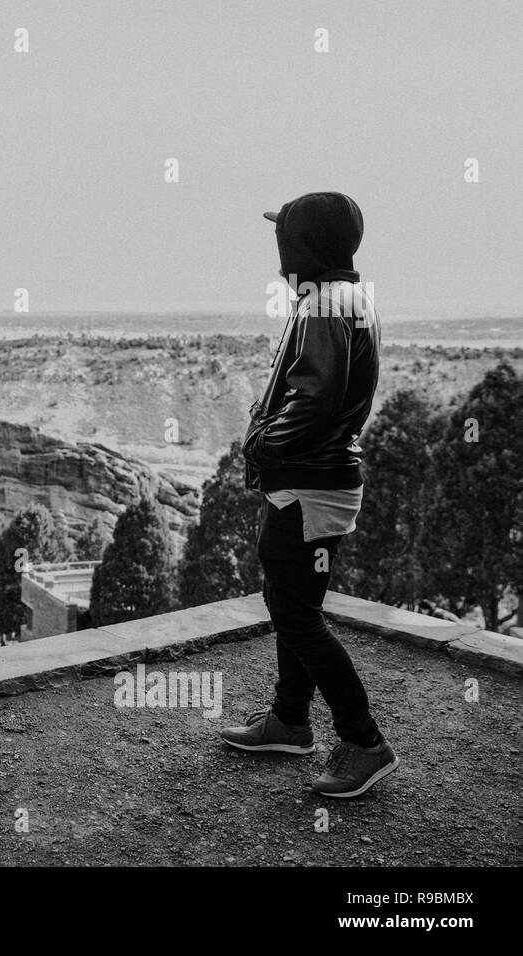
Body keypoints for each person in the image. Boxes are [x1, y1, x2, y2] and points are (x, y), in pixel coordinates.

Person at [223, 191, 398, 799]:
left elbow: (317, 400)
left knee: (295, 614)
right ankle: (289, 721)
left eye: (286, 238)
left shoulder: (324, 304)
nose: (278, 250)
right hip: (321, 482)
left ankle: (364, 740)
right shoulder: (347, 298)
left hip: (306, 482)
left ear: (304, 245)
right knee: (292, 605)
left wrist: (263, 446)